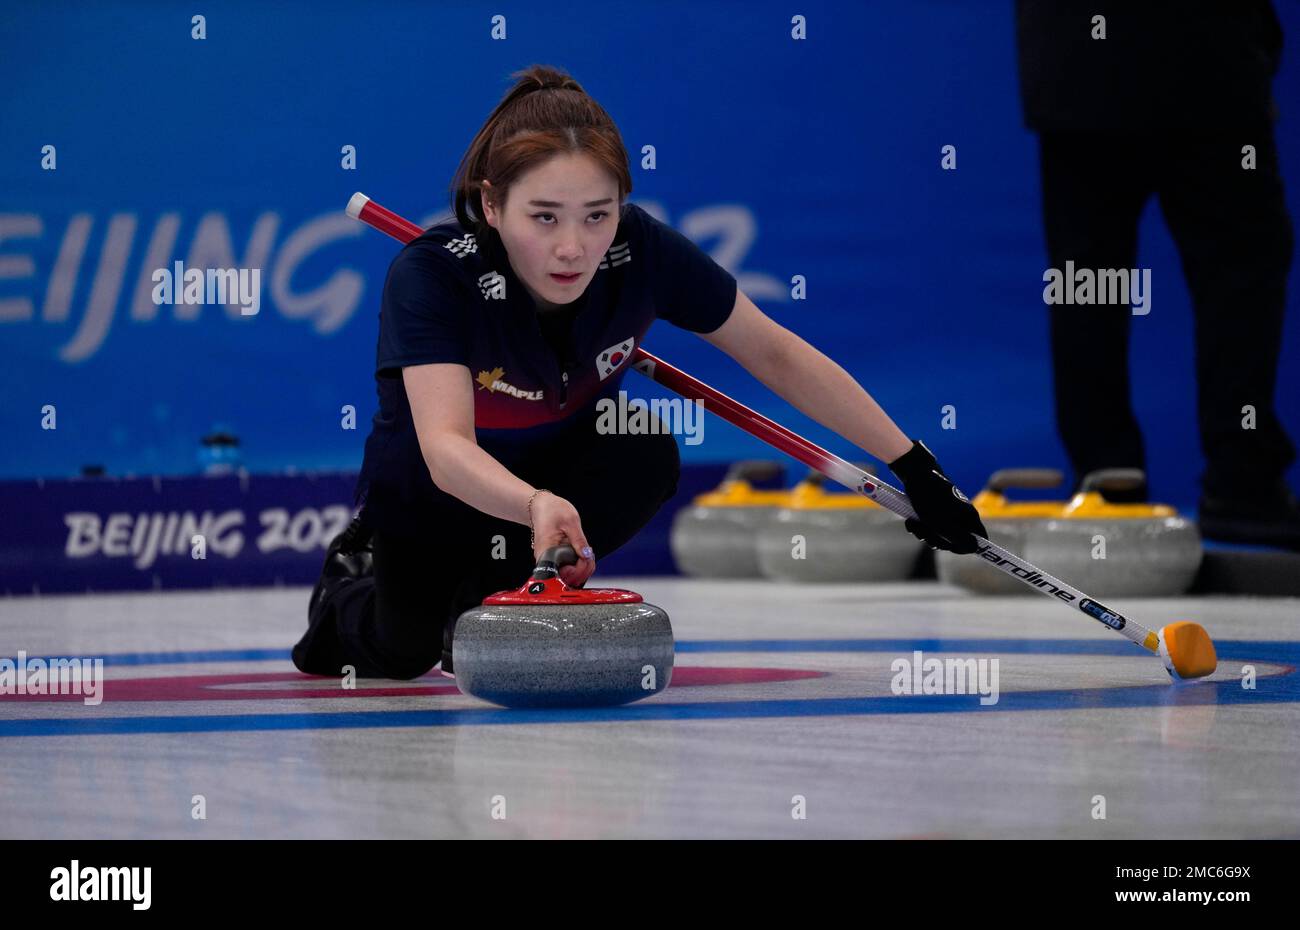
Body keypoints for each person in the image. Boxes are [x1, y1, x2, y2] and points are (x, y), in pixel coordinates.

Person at [292, 64, 987, 681]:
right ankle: (350, 583)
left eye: (598, 215)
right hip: (437, 491)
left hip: (561, 469)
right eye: (544, 217)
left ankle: (485, 600)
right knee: (402, 650)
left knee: (644, 449)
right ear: (493, 204)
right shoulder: (432, 277)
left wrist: (914, 465)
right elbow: (444, 449)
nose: (573, 247)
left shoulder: (642, 254)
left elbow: (774, 352)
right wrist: (535, 504)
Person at [1017, 1, 1300, 549]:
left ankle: (1109, 486)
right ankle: (1238, 483)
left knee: (1091, 284)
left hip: (1083, 67)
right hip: (1201, 59)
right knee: (1235, 271)